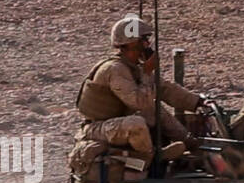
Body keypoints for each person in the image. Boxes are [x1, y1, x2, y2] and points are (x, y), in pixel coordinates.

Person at [74, 14, 207, 162]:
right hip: (98, 128)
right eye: (143, 40)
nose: (147, 44)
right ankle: (153, 156)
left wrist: (197, 102)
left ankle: (191, 144)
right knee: (136, 124)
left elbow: (163, 88)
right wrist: (147, 71)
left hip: (116, 122)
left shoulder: (133, 67)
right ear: (131, 43)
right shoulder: (114, 69)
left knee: (154, 108)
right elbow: (138, 102)